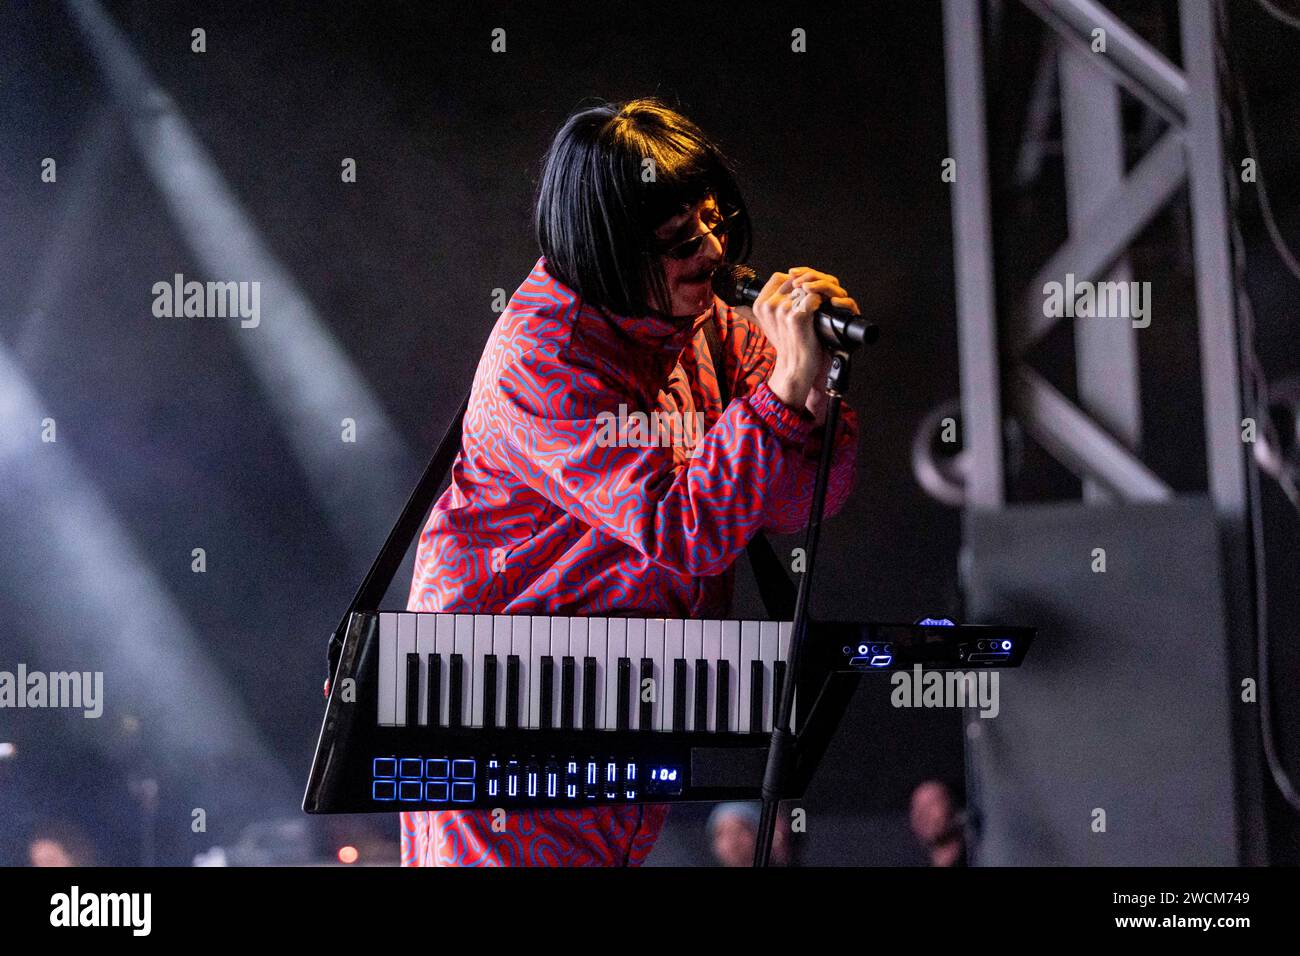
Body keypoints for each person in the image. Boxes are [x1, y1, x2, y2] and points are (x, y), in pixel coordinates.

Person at [401, 97, 860, 866]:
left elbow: (792, 504)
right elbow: (683, 531)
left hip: (621, 706)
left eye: (712, 220)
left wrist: (812, 389)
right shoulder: (543, 351)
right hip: (498, 723)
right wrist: (778, 396)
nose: (713, 248)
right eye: (681, 239)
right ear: (610, 252)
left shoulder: (710, 321)